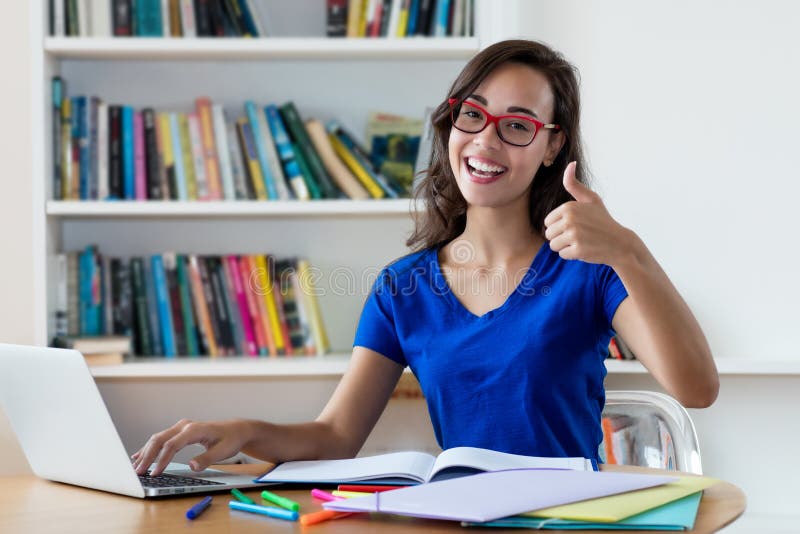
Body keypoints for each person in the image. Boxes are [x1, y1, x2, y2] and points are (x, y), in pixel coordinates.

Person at [133, 39, 719, 477]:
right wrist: (245, 430)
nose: (486, 142)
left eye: (517, 126)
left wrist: (629, 250)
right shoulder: (402, 288)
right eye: (473, 114)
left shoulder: (590, 267)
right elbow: (338, 434)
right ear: (451, 122)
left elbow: (696, 389)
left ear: (552, 145)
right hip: (461, 517)